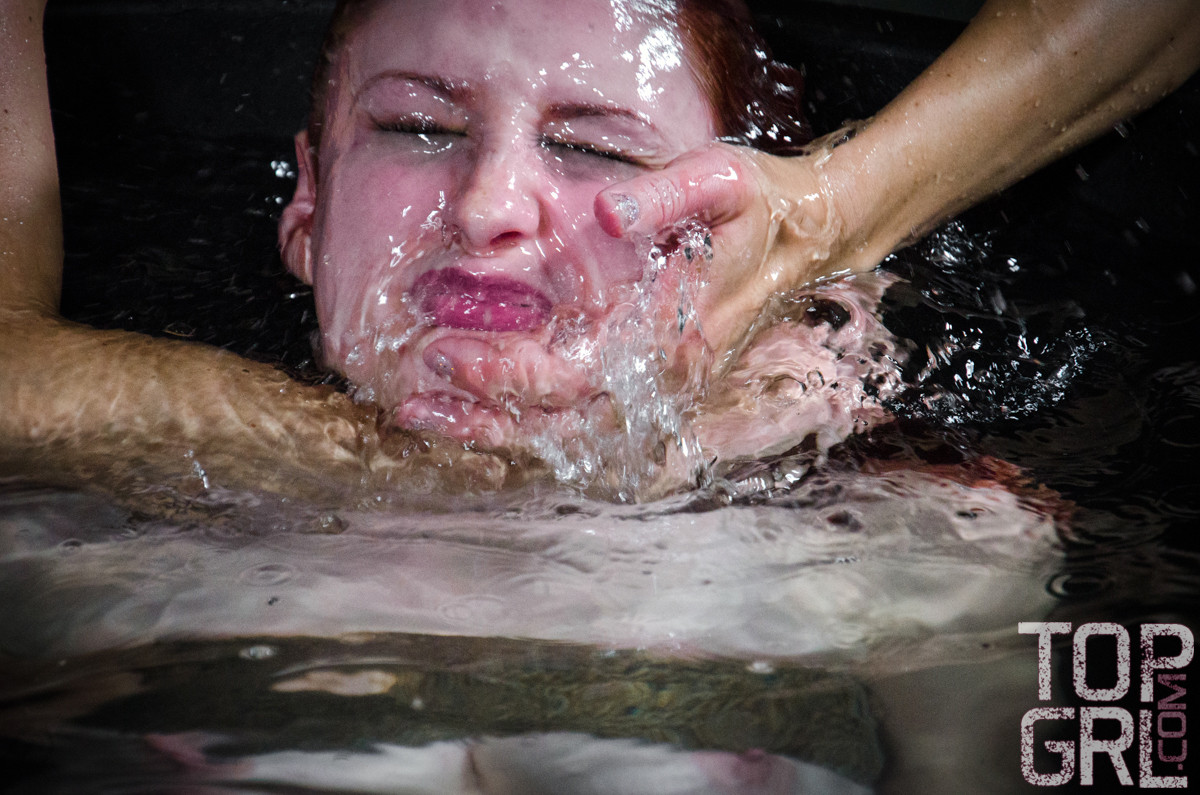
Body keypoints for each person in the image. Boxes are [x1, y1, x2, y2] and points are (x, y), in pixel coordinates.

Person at [2, 0, 1198, 500]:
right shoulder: (76, 524)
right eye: (420, 128)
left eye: (603, 155)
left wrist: (827, 228)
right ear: (306, 211)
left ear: (740, 247)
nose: (490, 206)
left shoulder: (927, 547)